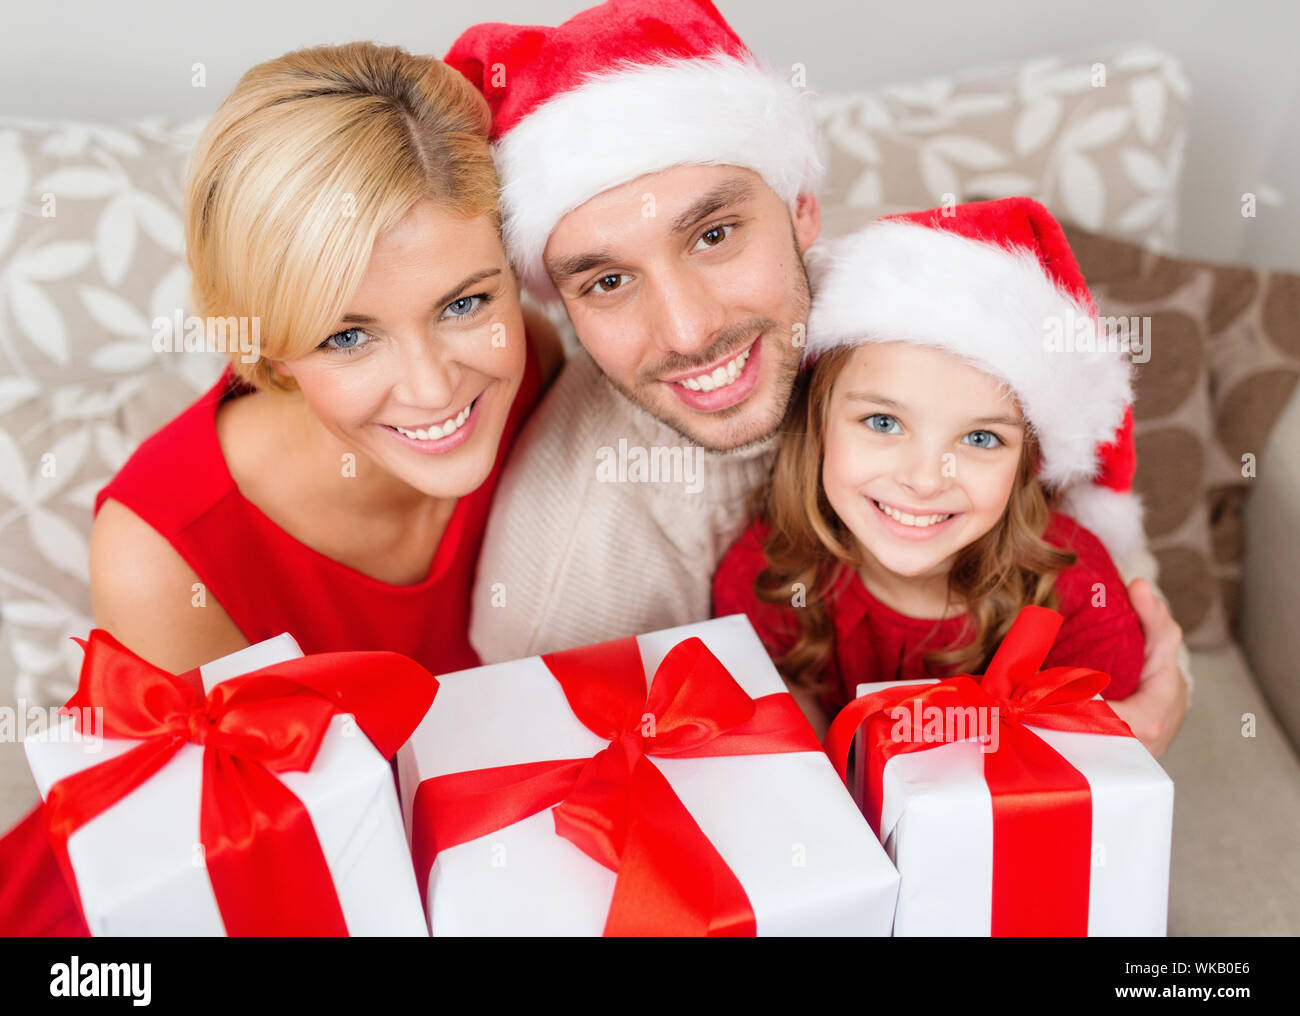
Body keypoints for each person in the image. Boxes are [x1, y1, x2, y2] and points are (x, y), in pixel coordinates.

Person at [453, 0, 1189, 757]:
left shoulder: (926, 285)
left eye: (713, 235)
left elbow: (1089, 534)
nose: (688, 332)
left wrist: (1150, 690)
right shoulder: (572, 575)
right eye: (607, 281)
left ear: (804, 211)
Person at [0, 40, 562, 936]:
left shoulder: (536, 364)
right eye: (348, 337)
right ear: (269, 352)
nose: (431, 387)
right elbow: (245, 883)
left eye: (465, 304)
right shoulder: (166, 555)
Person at [713, 198, 1146, 735]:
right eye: (883, 423)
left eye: (981, 437)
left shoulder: (1080, 599)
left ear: (1027, 464)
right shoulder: (767, 573)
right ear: (819, 422)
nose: (923, 479)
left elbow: (1099, 788)